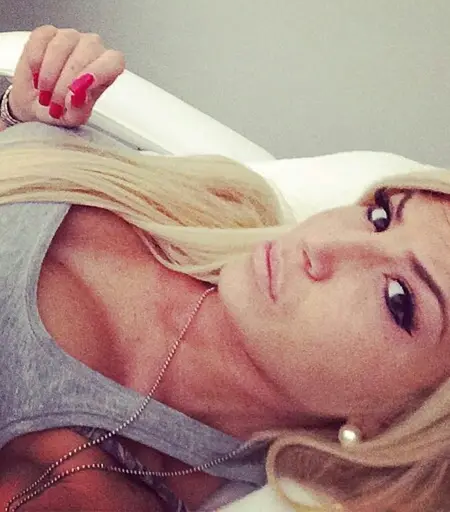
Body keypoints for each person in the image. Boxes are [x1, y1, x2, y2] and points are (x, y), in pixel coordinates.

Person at [0, 25, 449, 512]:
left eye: (398, 298)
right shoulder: (226, 199)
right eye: (380, 216)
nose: (323, 244)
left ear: (401, 423)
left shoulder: (94, 482)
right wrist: (21, 113)